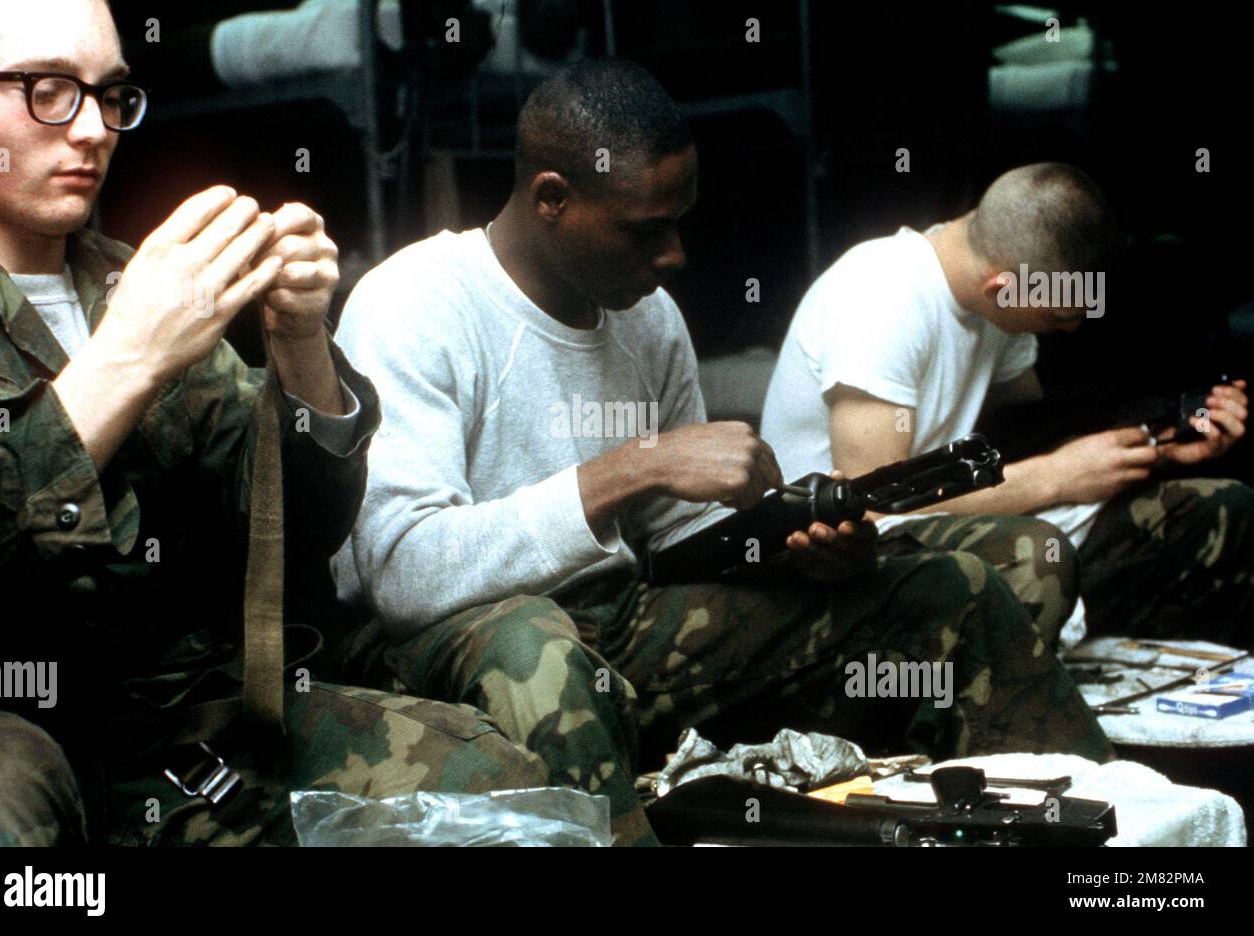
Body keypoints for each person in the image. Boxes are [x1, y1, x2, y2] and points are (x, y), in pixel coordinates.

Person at [332, 60, 1113, 847]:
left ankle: (1105, 837)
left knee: (950, 587)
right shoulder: (414, 305)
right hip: (454, 642)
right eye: (645, 230)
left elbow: (673, 545)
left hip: (620, 618)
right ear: (551, 198)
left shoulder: (651, 317)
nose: (674, 255)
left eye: (681, 222)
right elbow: (404, 574)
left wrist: (791, 554)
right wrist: (633, 465)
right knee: (540, 649)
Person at [0, 0, 546, 847]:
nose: (91, 129)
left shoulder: (136, 280)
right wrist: (127, 359)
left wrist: (300, 342)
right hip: (10, 725)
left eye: (111, 94)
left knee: (501, 793)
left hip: (189, 727)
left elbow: (300, 530)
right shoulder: (143, 308)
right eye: (49, 90)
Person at [761, 162, 1253, 651]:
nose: (1071, 328)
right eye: (1057, 316)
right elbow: (872, 508)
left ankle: (1159, 695)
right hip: (841, 561)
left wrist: (1157, 446)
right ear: (1003, 287)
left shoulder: (995, 300)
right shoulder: (879, 297)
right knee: (1041, 558)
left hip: (946, 530)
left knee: (1215, 509)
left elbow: (1033, 434)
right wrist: (1058, 476)